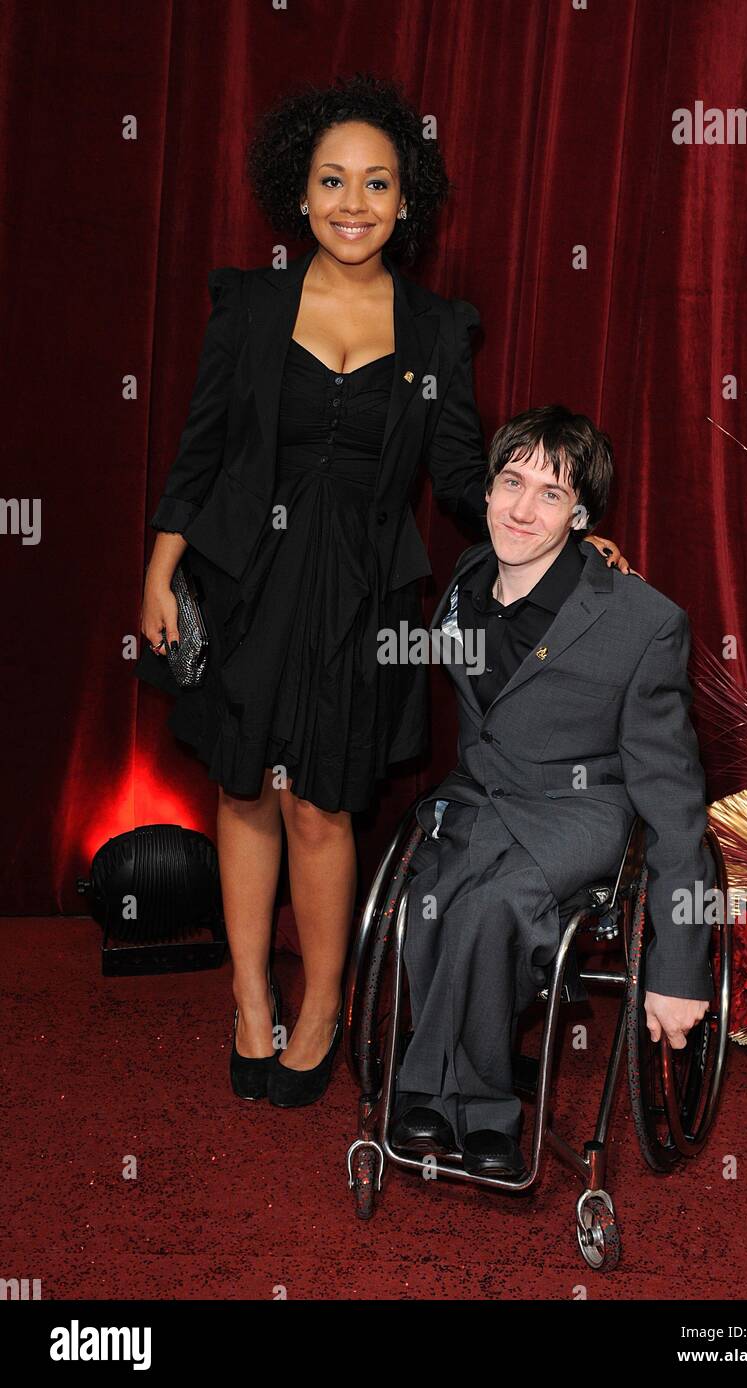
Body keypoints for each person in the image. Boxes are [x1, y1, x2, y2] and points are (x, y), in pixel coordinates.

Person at [135, 74, 629, 1110]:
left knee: (321, 800)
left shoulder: (438, 331)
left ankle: (320, 1004)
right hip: (240, 579)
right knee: (242, 787)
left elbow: (459, 478)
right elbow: (199, 448)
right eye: (330, 180)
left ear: (406, 201)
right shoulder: (251, 304)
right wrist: (160, 571)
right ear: (300, 197)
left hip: (360, 594)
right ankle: (247, 994)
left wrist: (561, 529)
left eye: (376, 182)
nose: (352, 201)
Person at [392, 405, 715, 1179]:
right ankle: (440, 1094)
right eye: (511, 483)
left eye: (550, 494)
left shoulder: (645, 623)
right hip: (481, 800)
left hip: (584, 809)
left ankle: (471, 1105)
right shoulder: (466, 581)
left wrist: (678, 969)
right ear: (489, 488)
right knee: (425, 902)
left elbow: (674, 804)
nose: (522, 509)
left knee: (489, 904)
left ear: (581, 513)